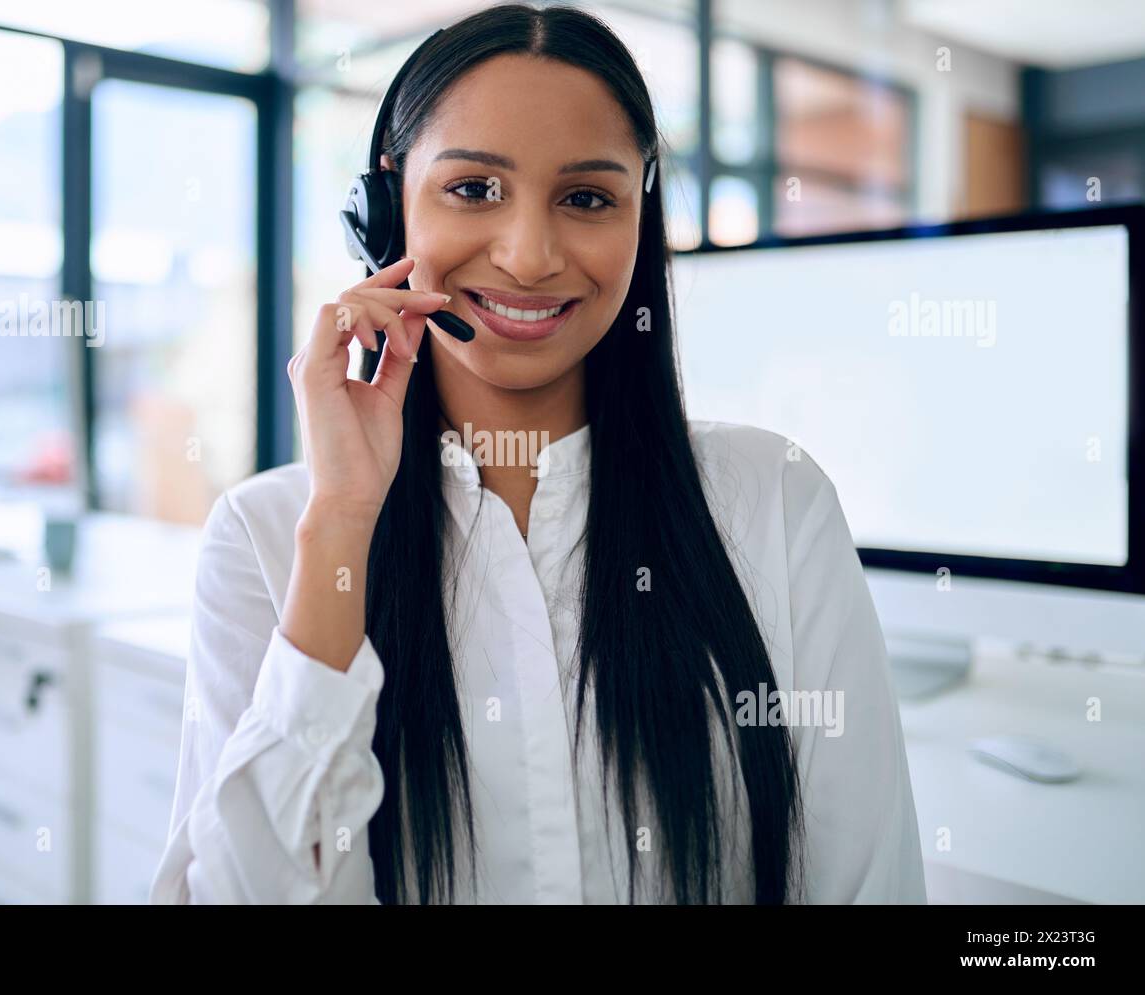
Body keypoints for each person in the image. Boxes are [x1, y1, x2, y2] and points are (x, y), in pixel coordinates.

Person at [150, 2, 926, 904]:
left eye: (586, 198)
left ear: (642, 217)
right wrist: (343, 522)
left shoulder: (774, 502)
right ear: (386, 205)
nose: (527, 256)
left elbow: (869, 884)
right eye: (474, 189)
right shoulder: (268, 534)